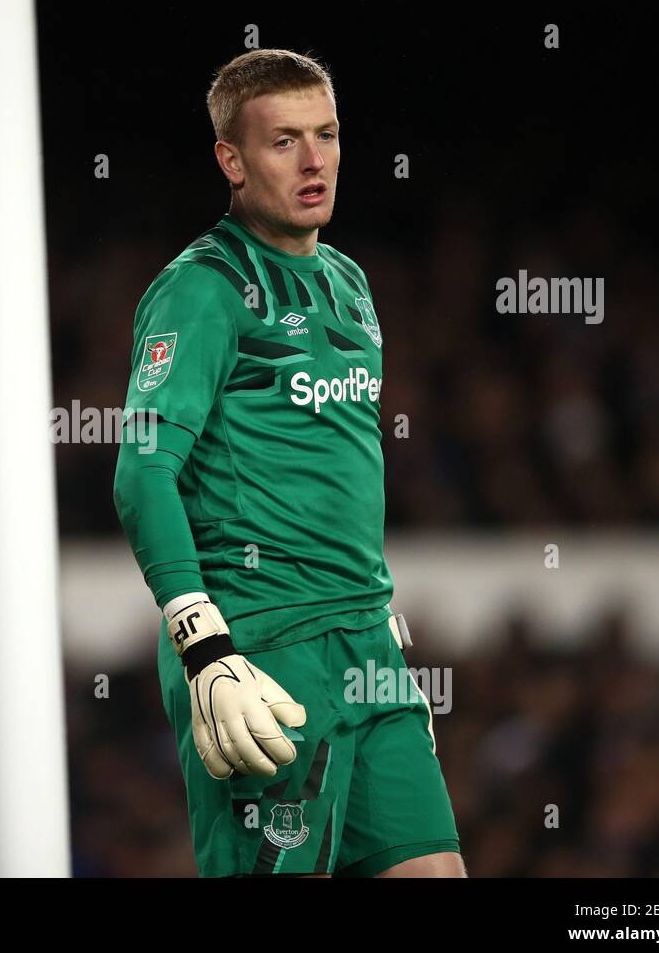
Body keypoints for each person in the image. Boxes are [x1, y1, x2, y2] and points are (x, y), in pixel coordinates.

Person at [113, 48, 464, 877]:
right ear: (231, 161)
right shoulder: (204, 289)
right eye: (284, 142)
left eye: (328, 134)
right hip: (261, 648)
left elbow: (339, 475)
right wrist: (203, 645)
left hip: (367, 646)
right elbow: (143, 470)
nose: (315, 161)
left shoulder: (347, 282)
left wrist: (382, 634)